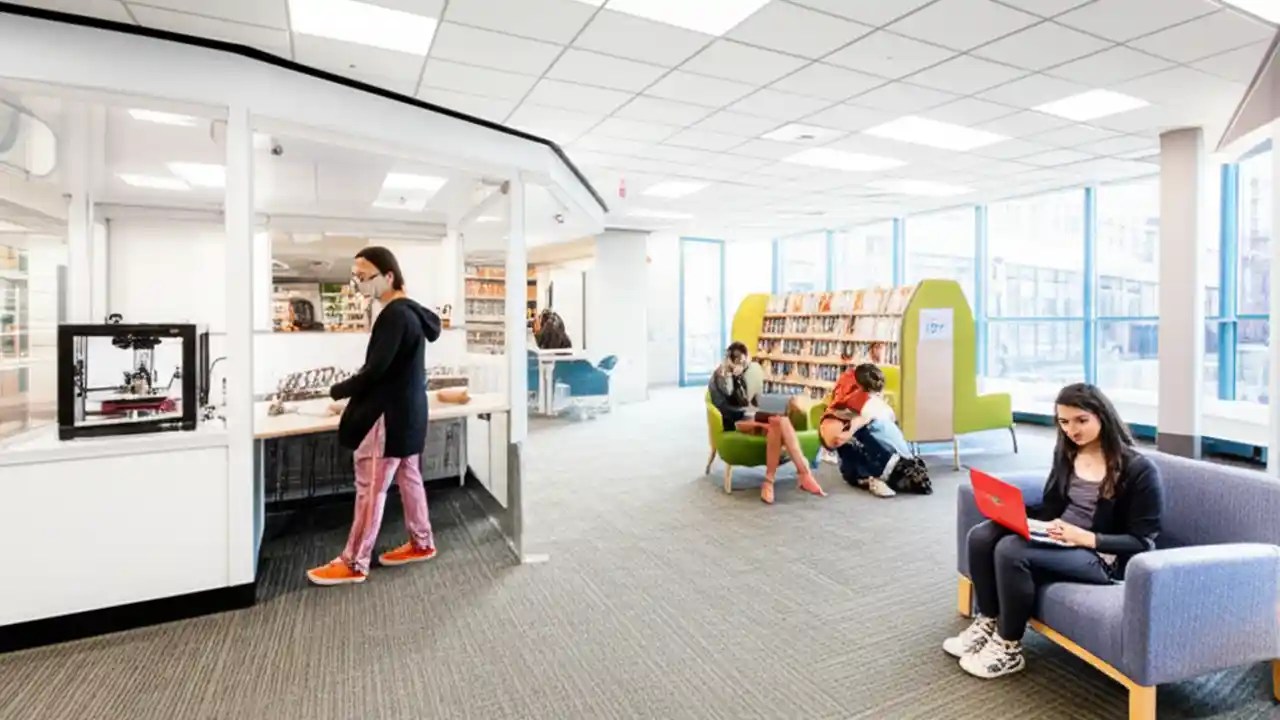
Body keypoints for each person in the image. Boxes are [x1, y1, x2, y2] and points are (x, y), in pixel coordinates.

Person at [943, 383, 1163, 678]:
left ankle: (1009, 648)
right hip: (1060, 536)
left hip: (1100, 557)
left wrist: (1083, 537)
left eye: (1081, 421)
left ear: (1102, 416)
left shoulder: (1139, 470)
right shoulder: (1068, 453)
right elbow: (1052, 506)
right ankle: (988, 620)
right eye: (1064, 422)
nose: (1072, 430)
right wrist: (1021, 519)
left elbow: (1142, 541)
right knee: (982, 535)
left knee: (1011, 551)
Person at [306, 246, 443, 586]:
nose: (360, 285)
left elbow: (375, 370)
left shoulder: (394, 315)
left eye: (365, 278)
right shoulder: (412, 314)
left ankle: (354, 562)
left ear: (389, 276)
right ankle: (421, 542)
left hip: (389, 417)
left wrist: (336, 391)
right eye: (356, 278)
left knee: (371, 488)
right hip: (410, 413)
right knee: (409, 477)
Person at [707, 342, 825, 504]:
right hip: (733, 422)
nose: (744, 367)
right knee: (778, 422)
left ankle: (772, 481)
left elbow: (747, 401)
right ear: (731, 360)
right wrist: (752, 416)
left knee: (779, 422)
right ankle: (802, 474)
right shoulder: (720, 378)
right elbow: (726, 410)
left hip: (746, 416)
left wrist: (755, 411)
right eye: (742, 363)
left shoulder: (736, 375)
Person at [818, 364, 930, 498]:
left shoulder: (863, 407)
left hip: (887, 464)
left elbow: (836, 440)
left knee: (852, 438)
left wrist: (851, 426)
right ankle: (877, 475)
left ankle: (869, 477)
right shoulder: (882, 406)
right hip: (906, 461)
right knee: (865, 432)